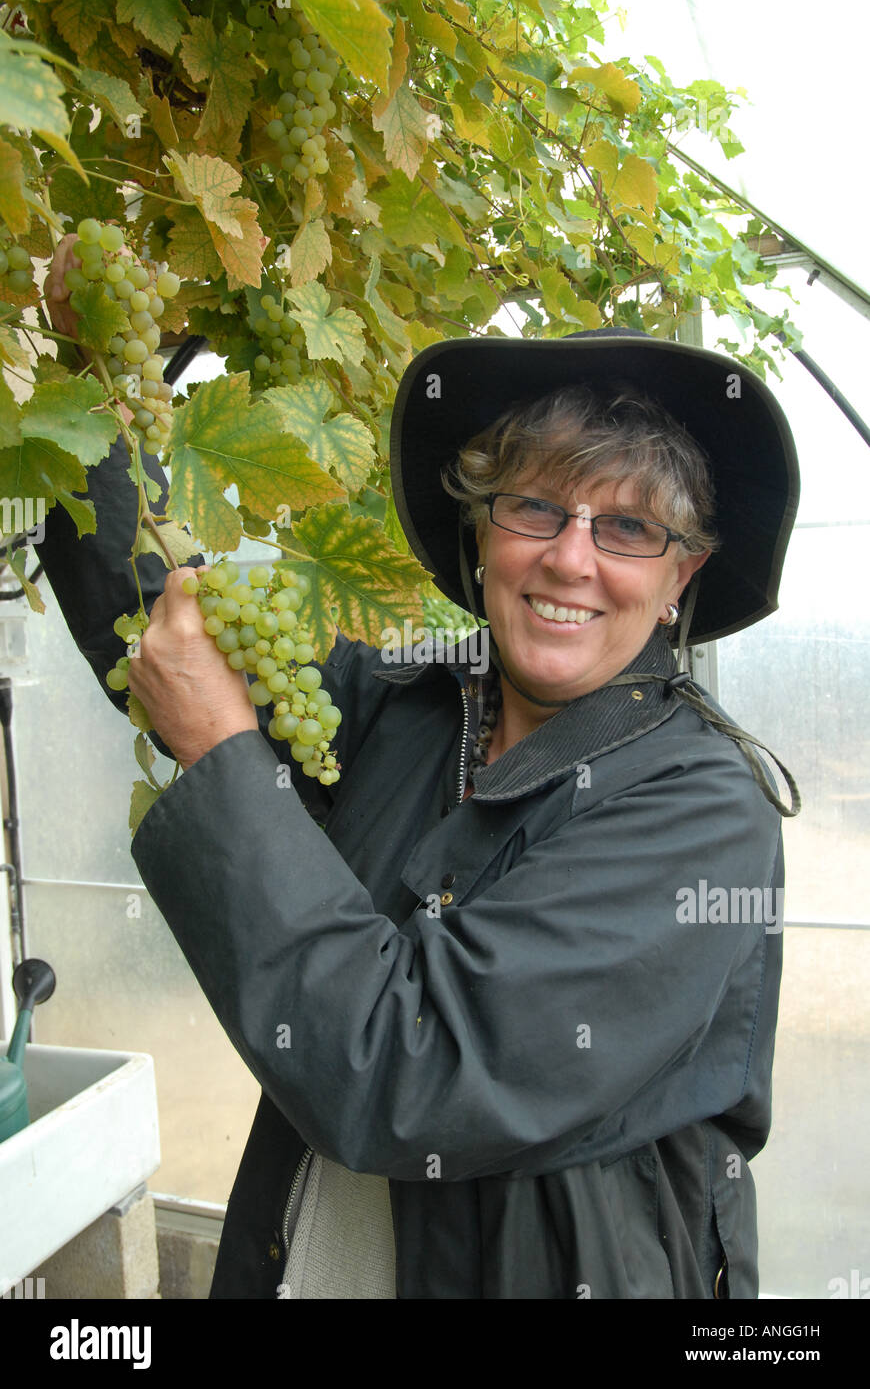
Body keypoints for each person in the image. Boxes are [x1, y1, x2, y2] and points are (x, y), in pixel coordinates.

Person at [36, 251, 800, 1298]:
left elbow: (414, 1070)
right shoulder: (402, 704)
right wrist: (92, 392)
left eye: (627, 528)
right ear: (483, 529)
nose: (571, 560)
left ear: (682, 575)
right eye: (536, 506)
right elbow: (161, 638)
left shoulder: (702, 815)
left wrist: (222, 751)